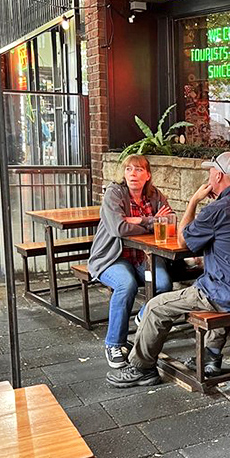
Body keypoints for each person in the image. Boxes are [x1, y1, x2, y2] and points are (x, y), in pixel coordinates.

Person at [106, 152, 230, 388]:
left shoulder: (215, 210)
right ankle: (211, 356)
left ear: (217, 176)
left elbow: (183, 240)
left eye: (210, 173)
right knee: (215, 283)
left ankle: (141, 368)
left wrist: (193, 202)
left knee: (156, 307)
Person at [88, 155, 173, 368]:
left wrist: (137, 220)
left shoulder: (155, 196)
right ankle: (114, 343)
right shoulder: (114, 193)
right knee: (126, 285)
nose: (133, 174)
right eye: (128, 169)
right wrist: (151, 221)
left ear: (148, 175)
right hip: (112, 257)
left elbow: (170, 222)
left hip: (144, 257)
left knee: (163, 285)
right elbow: (118, 228)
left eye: (138, 170)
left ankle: (143, 316)